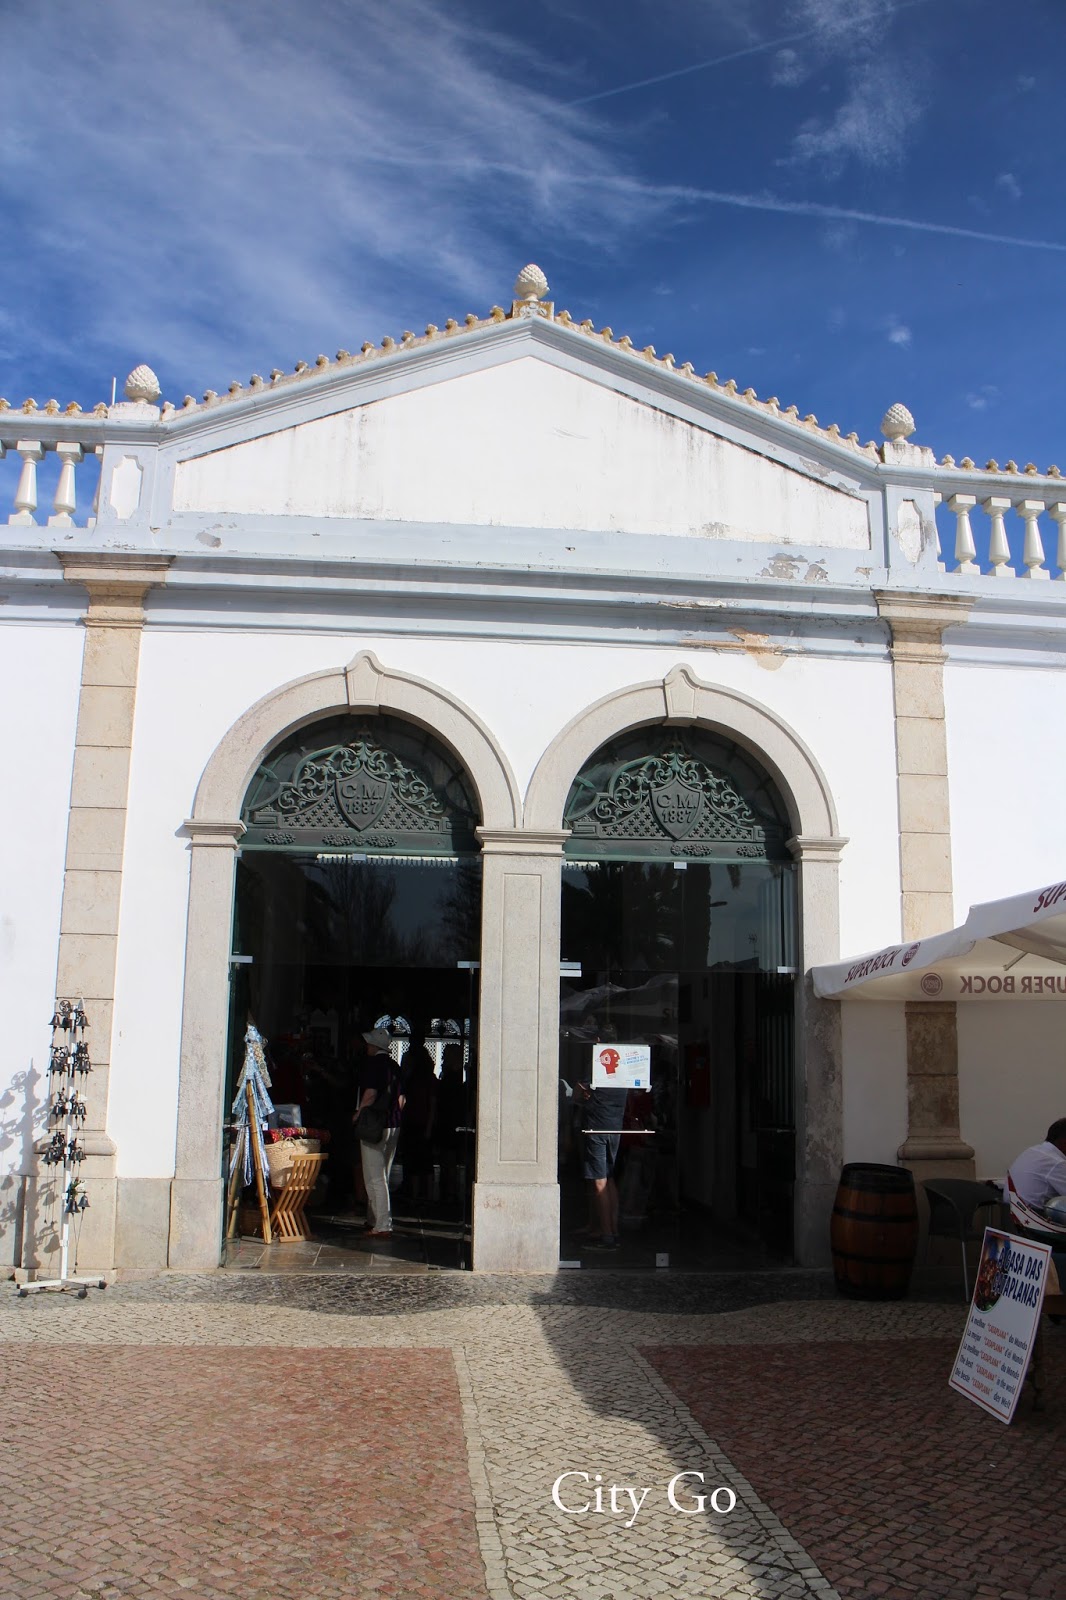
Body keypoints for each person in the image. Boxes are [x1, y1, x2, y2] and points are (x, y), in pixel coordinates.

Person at [353, 1028, 404, 1237]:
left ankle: (382, 1223)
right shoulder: (395, 1066)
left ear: (375, 1046)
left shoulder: (374, 1065)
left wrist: (358, 1114)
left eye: (369, 1043)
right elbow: (402, 1100)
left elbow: (370, 1094)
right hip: (393, 1125)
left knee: (374, 1176)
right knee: (383, 1171)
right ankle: (373, 1219)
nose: (367, 1046)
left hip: (374, 1124)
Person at [576, 1074, 630, 1251]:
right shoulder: (623, 1069)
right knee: (609, 1177)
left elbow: (578, 1092)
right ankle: (613, 1231)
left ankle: (607, 1237)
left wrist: (584, 1094)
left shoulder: (598, 1064)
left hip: (596, 1127)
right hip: (615, 1125)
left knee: (600, 1181)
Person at [1007, 1119, 1066, 1210]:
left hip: (1009, 1215)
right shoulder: (1056, 1162)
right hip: (1035, 1219)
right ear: (1063, 1141)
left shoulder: (1032, 1151)